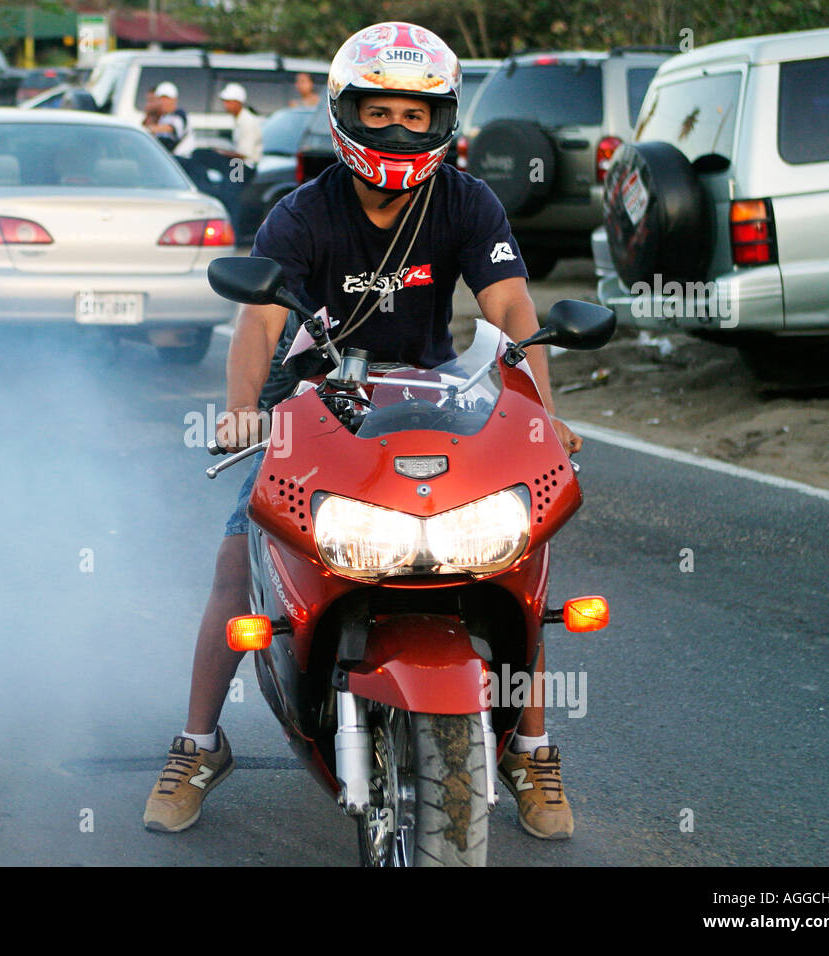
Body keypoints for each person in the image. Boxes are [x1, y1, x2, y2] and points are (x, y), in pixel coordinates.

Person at [143, 21, 584, 841]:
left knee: (519, 563)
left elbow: (512, 308)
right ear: (346, 112)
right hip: (315, 408)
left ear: (442, 119)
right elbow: (257, 322)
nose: (397, 129)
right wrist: (243, 408)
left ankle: (531, 748)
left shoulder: (467, 201)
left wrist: (543, 417)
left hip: (431, 402)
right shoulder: (304, 212)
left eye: (416, 116)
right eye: (379, 111)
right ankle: (199, 743)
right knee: (237, 567)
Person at [218, 82, 263, 167]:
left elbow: (245, 154)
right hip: (243, 165)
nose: (225, 105)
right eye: (224, 102)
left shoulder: (248, 121)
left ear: (238, 102)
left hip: (249, 167)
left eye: (228, 102)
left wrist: (220, 153)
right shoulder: (240, 120)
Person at [143, 81, 192, 155]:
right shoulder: (163, 117)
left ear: (174, 100)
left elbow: (170, 127)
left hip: (183, 157)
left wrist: (149, 129)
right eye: (161, 99)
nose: (163, 102)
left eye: (167, 99)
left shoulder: (180, 114)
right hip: (169, 157)